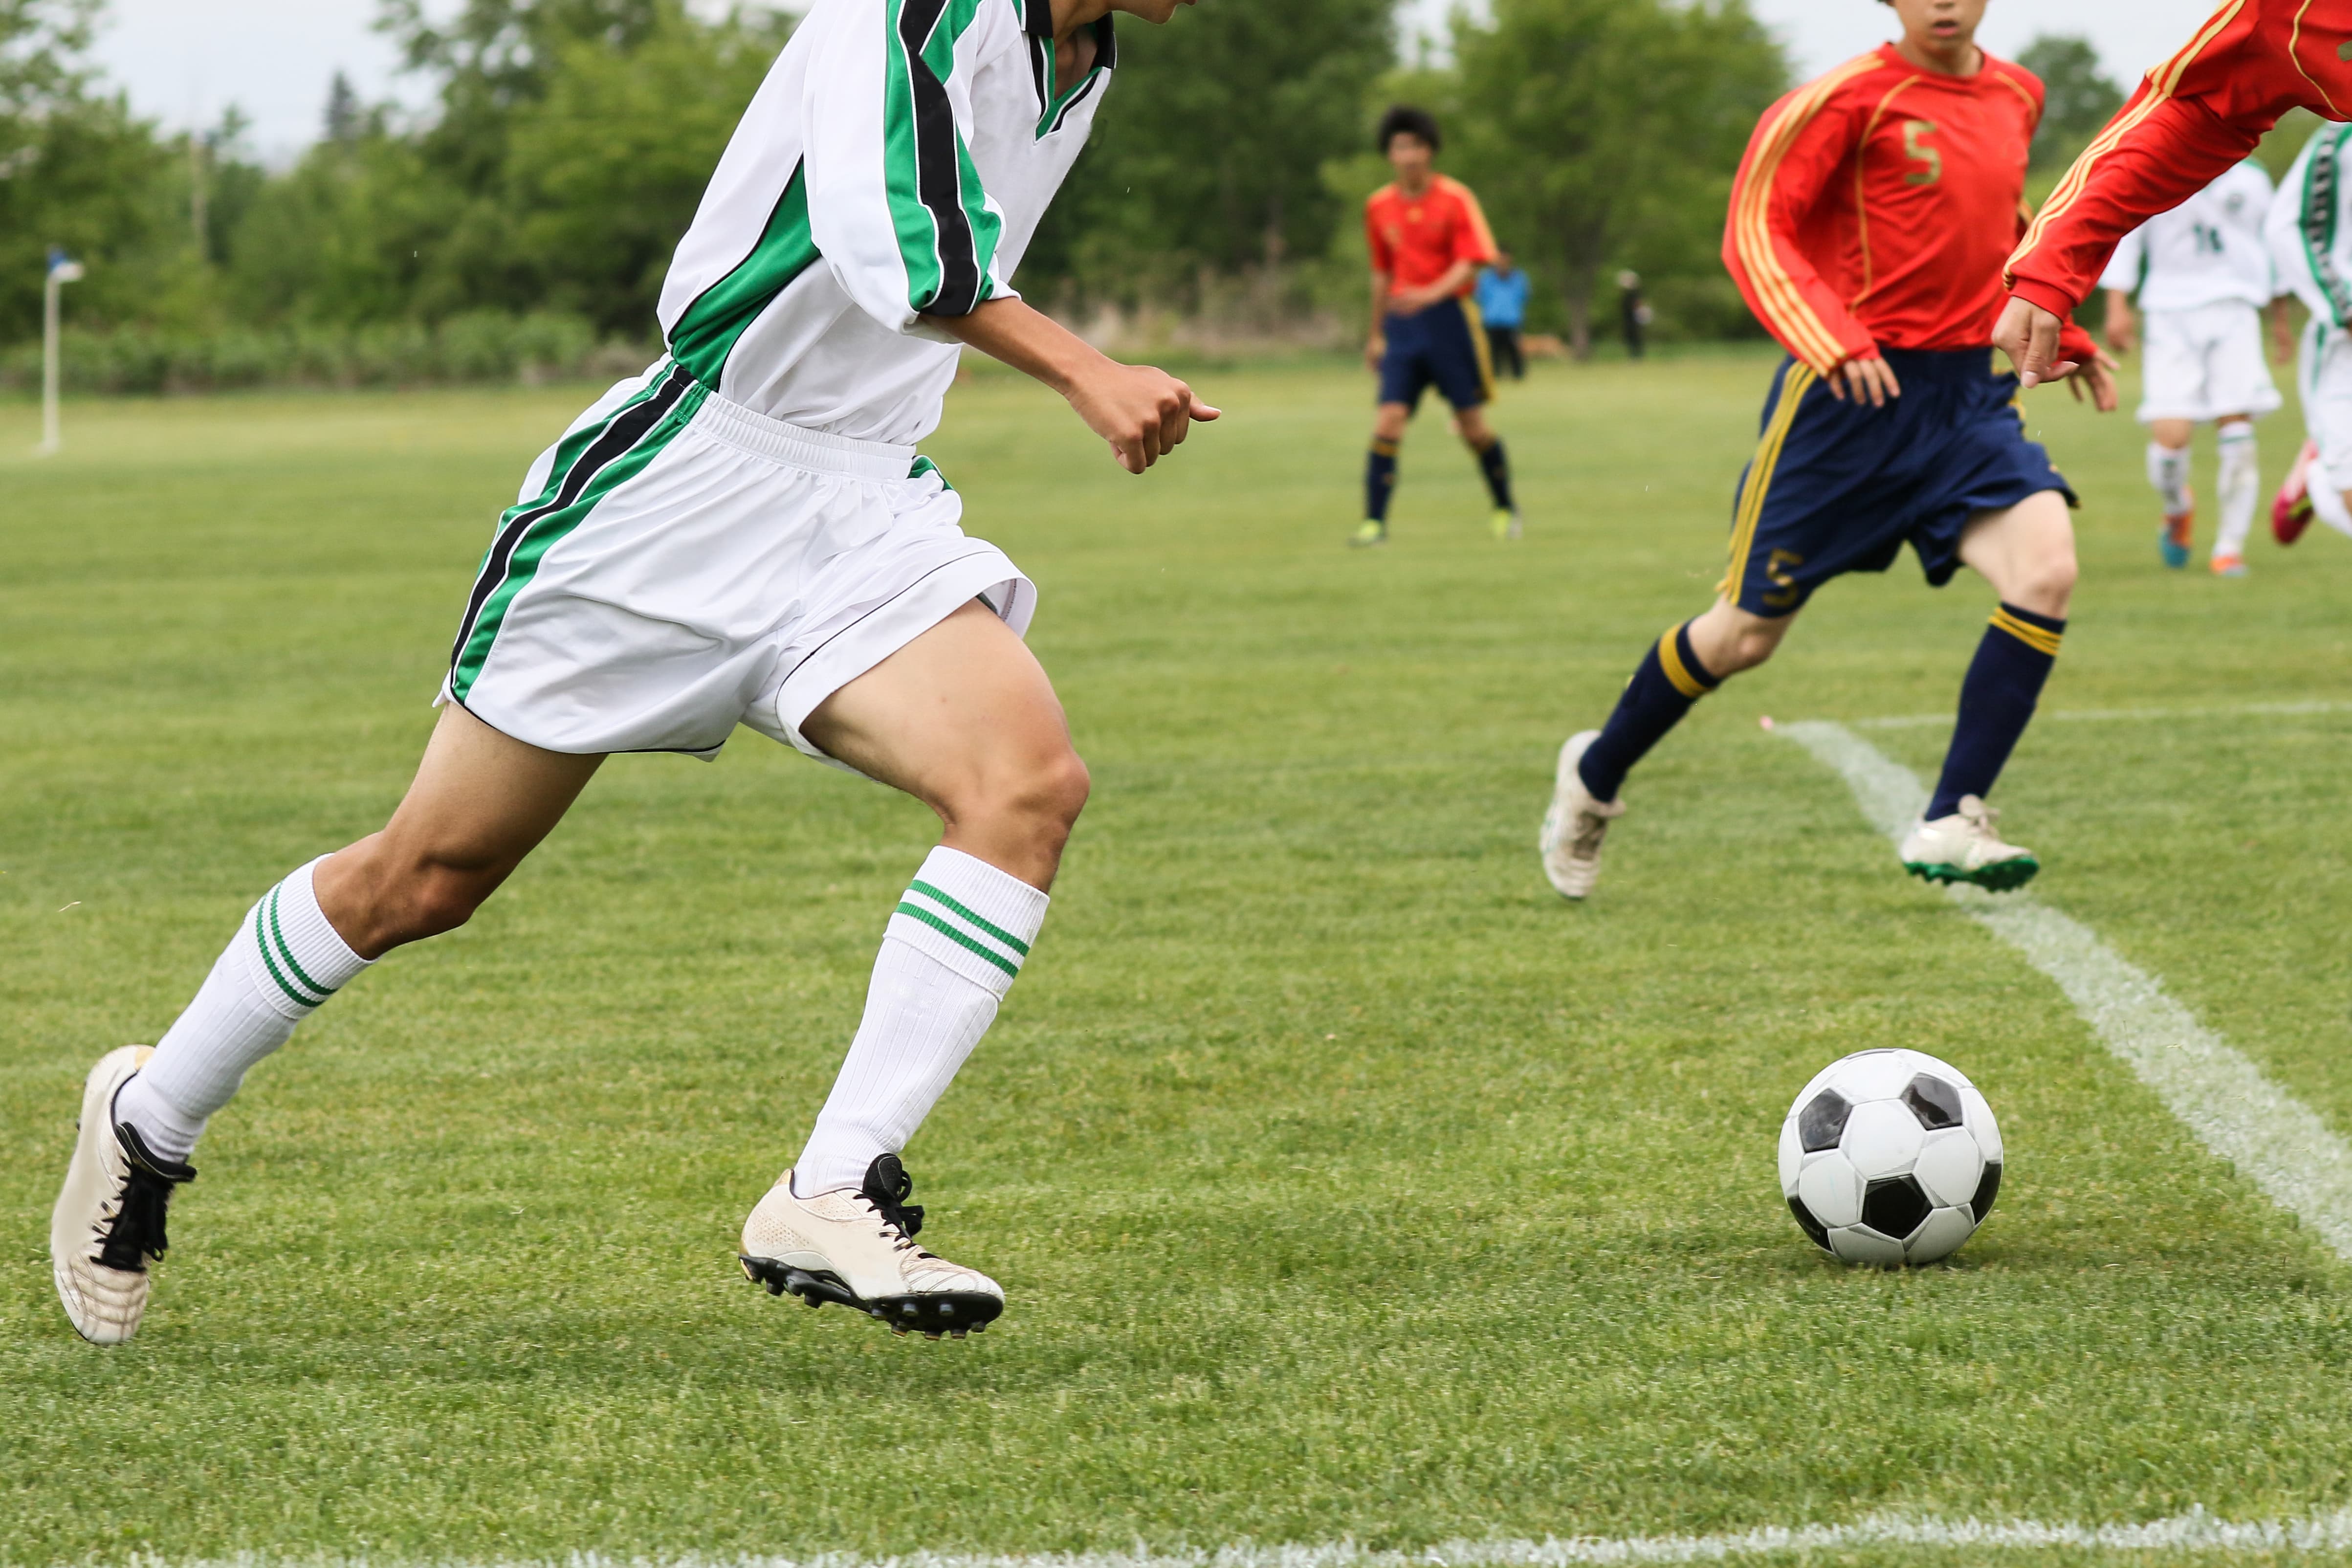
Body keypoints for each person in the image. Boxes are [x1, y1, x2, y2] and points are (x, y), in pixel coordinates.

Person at [49, 0, 1217, 1348]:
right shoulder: (912, 13)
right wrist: (1087, 371)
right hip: (677, 487)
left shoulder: (1083, 59)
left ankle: (831, 1184)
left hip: (856, 503)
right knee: (427, 873)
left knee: (1026, 785)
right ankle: (149, 1114)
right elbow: (894, 239)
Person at [1538, 0, 2116, 903]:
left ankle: (1952, 814)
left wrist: (2057, 328)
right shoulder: (1843, 100)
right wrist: (1832, 337)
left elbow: (2002, 227)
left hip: (1967, 399)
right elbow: (1754, 230)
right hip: (1848, 399)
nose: (1943, 3)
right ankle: (1595, 773)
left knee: (2046, 568)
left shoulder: (2018, 95)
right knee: (1744, 637)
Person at [1997, 0, 2352, 388]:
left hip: (2233, 302)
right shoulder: (2298, 12)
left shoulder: (2254, 181)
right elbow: (2200, 112)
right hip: (2170, 303)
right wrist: (2051, 269)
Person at [2096, 159, 2288, 575]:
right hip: (2168, 311)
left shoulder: (2252, 180)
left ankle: (2229, 547)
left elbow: (2272, 245)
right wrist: (2116, 304)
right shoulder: (2157, 168)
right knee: (2170, 440)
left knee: (2237, 431)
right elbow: (2126, 237)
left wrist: (2280, 318)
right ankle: (2176, 508)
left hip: (2234, 309)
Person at [1354, 106, 1518, 547]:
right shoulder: (1378, 207)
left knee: (1472, 427)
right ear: (1389, 154)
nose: (1407, 155)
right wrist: (1374, 334)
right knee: (1388, 421)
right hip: (1401, 328)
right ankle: (1374, 524)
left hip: (1448, 322)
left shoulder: (1455, 198)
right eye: (1398, 147)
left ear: (1429, 151)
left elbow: (1472, 262)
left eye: (1415, 146)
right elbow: (1380, 275)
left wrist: (1429, 294)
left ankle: (1505, 507)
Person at [2265, 122, 2352, 549]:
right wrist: (2343, 307)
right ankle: (2320, 478)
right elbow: (2287, 226)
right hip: (2345, 347)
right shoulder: (2338, 141)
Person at [1475, 251, 1531, 381]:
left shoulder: (1518, 278)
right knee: (1493, 352)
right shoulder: (1486, 279)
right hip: (1492, 320)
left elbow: (1524, 296)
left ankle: (1518, 377)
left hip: (1512, 321)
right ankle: (1494, 377)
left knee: (1515, 350)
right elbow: (1479, 297)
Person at [1618, 269, 1651, 359]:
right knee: (1630, 338)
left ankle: (1637, 357)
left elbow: (1638, 305)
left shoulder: (1635, 293)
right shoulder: (1627, 293)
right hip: (1628, 319)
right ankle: (1633, 356)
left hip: (1634, 320)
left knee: (1636, 337)